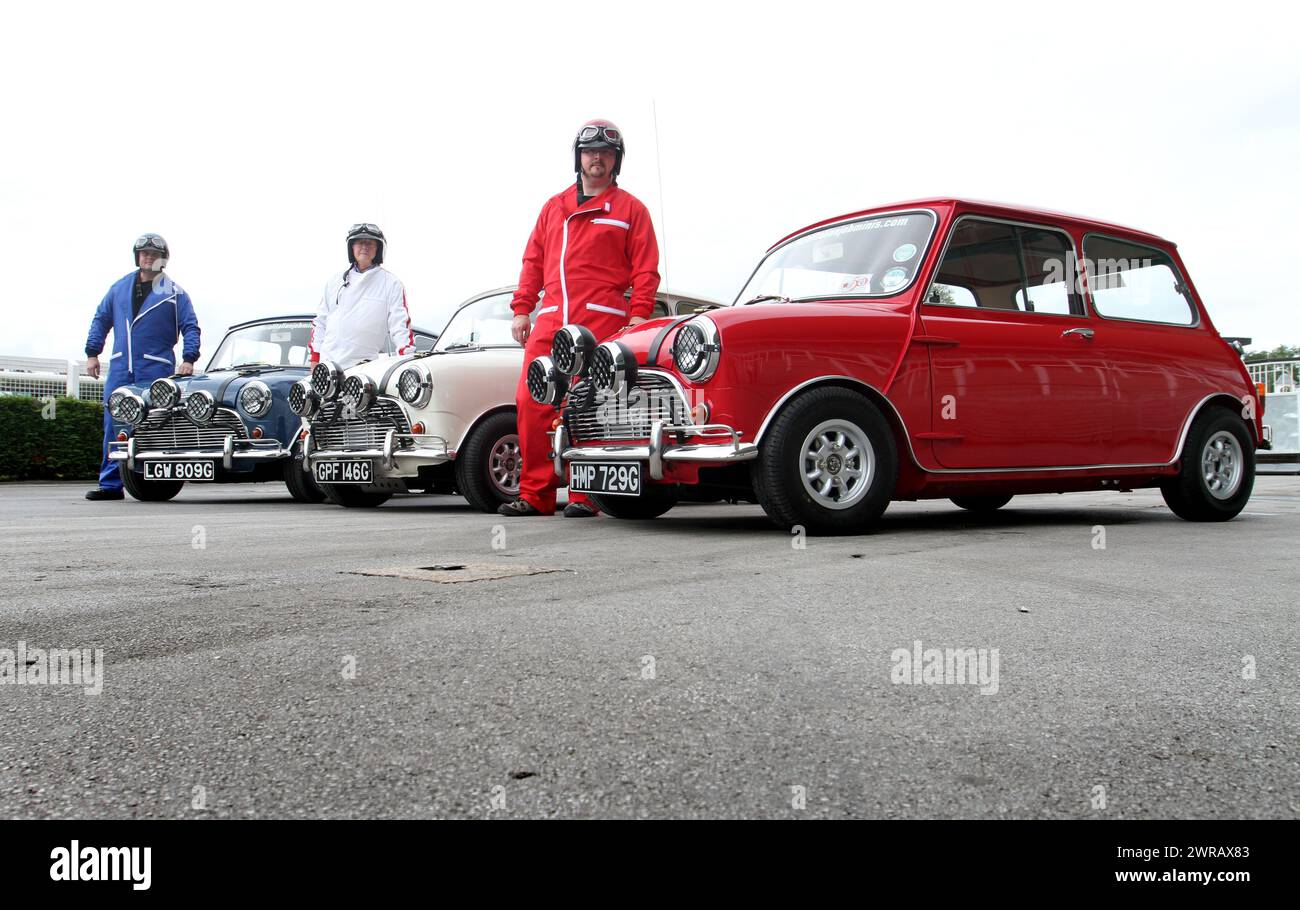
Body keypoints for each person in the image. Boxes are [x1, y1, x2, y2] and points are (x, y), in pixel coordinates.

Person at [499, 118, 661, 518]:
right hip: (551, 321)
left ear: (615, 161)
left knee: (588, 406)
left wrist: (639, 315)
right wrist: (523, 308)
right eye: (591, 153)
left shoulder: (630, 210)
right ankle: (535, 495)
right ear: (579, 157)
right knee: (531, 400)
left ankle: (586, 495)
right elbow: (533, 260)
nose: (598, 160)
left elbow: (646, 269)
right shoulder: (553, 208)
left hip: (603, 321)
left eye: (606, 154)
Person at [84, 233, 200, 501]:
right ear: (137, 256)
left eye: (154, 254)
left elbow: (190, 326)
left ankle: (156, 481)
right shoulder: (119, 288)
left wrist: (188, 358)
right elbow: (101, 319)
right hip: (121, 367)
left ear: (163, 260)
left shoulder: (174, 293)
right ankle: (111, 484)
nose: (148, 257)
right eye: (144, 252)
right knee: (114, 423)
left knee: (155, 423)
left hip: (155, 369)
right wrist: (92, 353)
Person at [309, 223, 415, 368]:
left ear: (378, 249)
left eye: (370, 243)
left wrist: (406, 361)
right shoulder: (335, 281)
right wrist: (315, 360)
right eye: (359, 242)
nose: (364, 246)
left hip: (364, 370)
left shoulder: (391, 283)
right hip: (327, 368)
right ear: (351, 247)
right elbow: (320, 323)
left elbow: (400, 326)